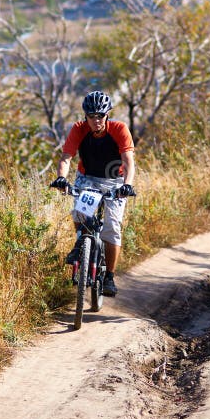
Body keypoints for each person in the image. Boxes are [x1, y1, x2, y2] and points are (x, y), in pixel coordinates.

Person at [50, 91, 136, 297]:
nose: (96, 120)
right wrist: (62, 178)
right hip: (87, 178)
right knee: (80, 214)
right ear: (85, 116)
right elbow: (66, 158)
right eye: (91, 116)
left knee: (111, 227)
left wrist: (127, 185)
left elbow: (128, 162)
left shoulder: (119, 129)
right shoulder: (79, 130)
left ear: (107, 114)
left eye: (100, 115)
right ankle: (81, 244)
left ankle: (109, 278)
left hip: (115, 181)